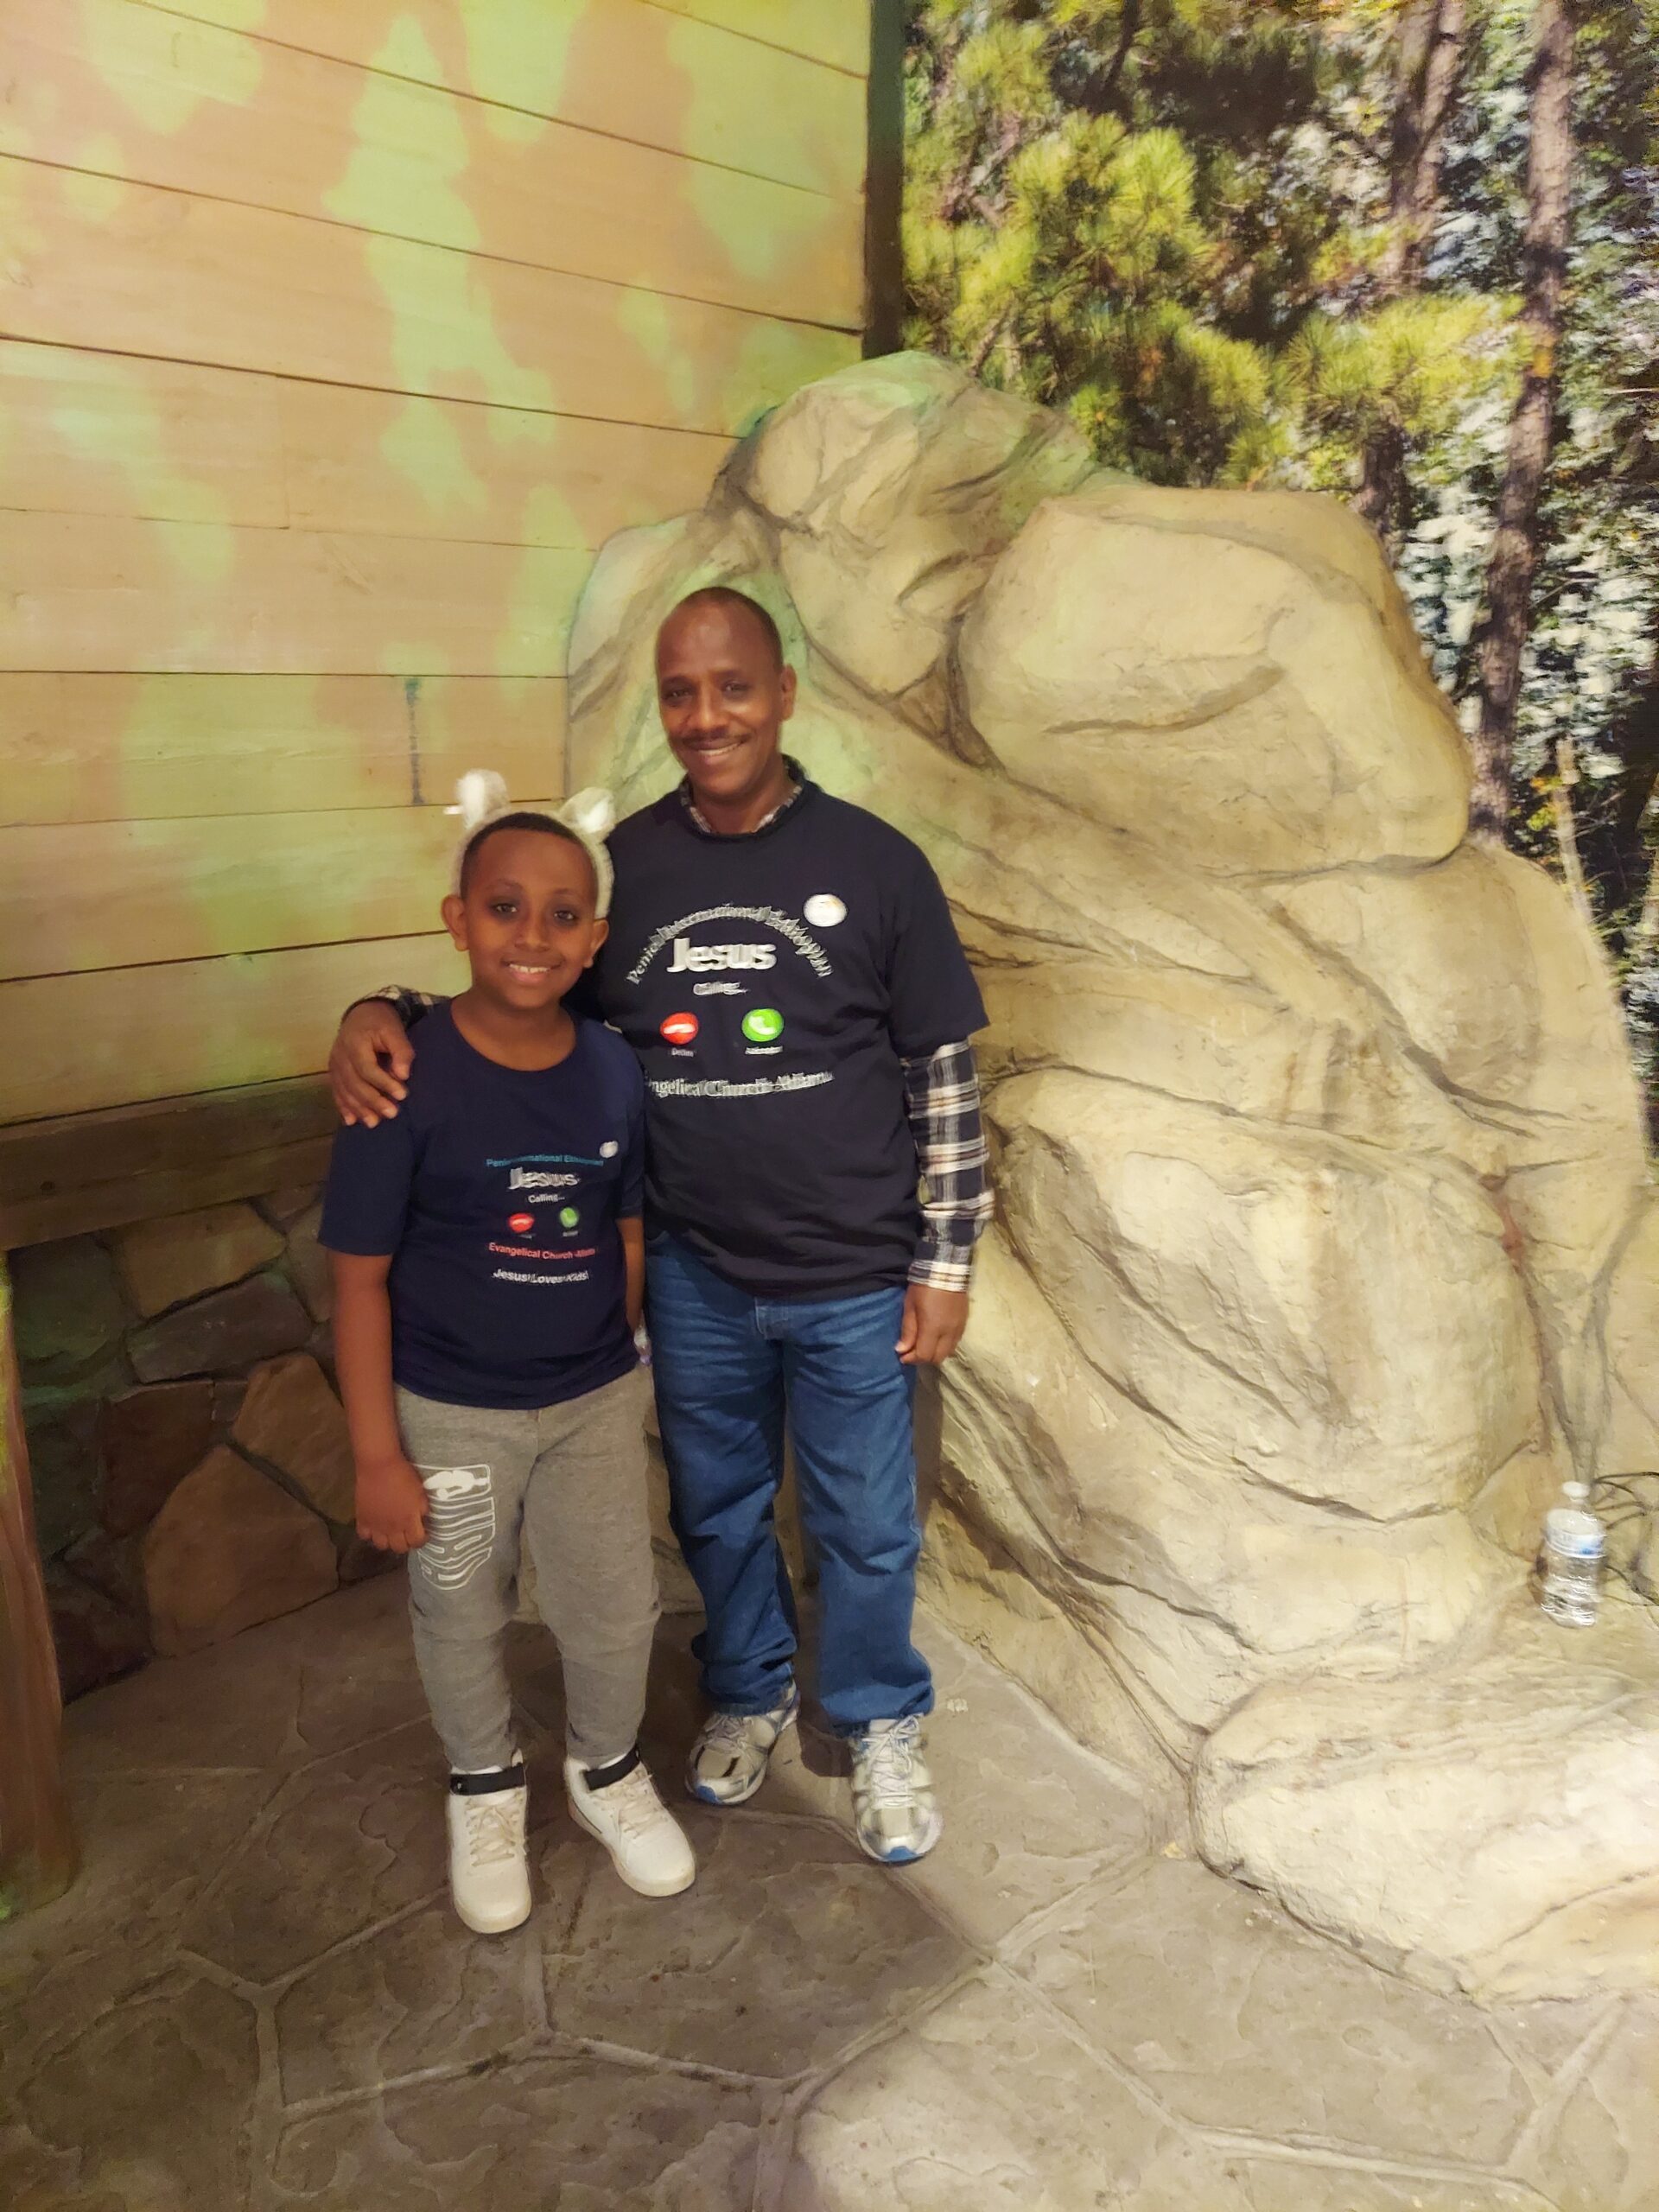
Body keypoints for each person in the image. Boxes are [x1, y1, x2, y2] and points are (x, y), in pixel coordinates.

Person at [328, 588, 992, 1864]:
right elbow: (524, 983)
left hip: (856, 1271)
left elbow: (942, 1073)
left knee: (865, 1521)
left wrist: (946, 1257)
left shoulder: (876, 863)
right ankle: (747, 1688)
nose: (707, 716)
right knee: (719, 1510)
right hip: (693, 1271)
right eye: (680, 693)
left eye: (733, 687)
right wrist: (386, 1008)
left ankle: (876, 1718)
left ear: (783, 694)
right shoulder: (628, 868)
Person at [321, 776, 696, 1936]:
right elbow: (358, 1279)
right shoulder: (403, 1076)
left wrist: (619, 1351)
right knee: (459, 1604)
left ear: (594, 937)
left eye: (562, 914)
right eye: (505, 907)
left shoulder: (614, 1070)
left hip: (591, 1401)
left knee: (614, 1603)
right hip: (451, 1414)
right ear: (457, 920)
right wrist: (377, 1456)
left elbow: (624, 1226)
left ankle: (606, 1767)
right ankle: (483, 1784)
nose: (532, 934)